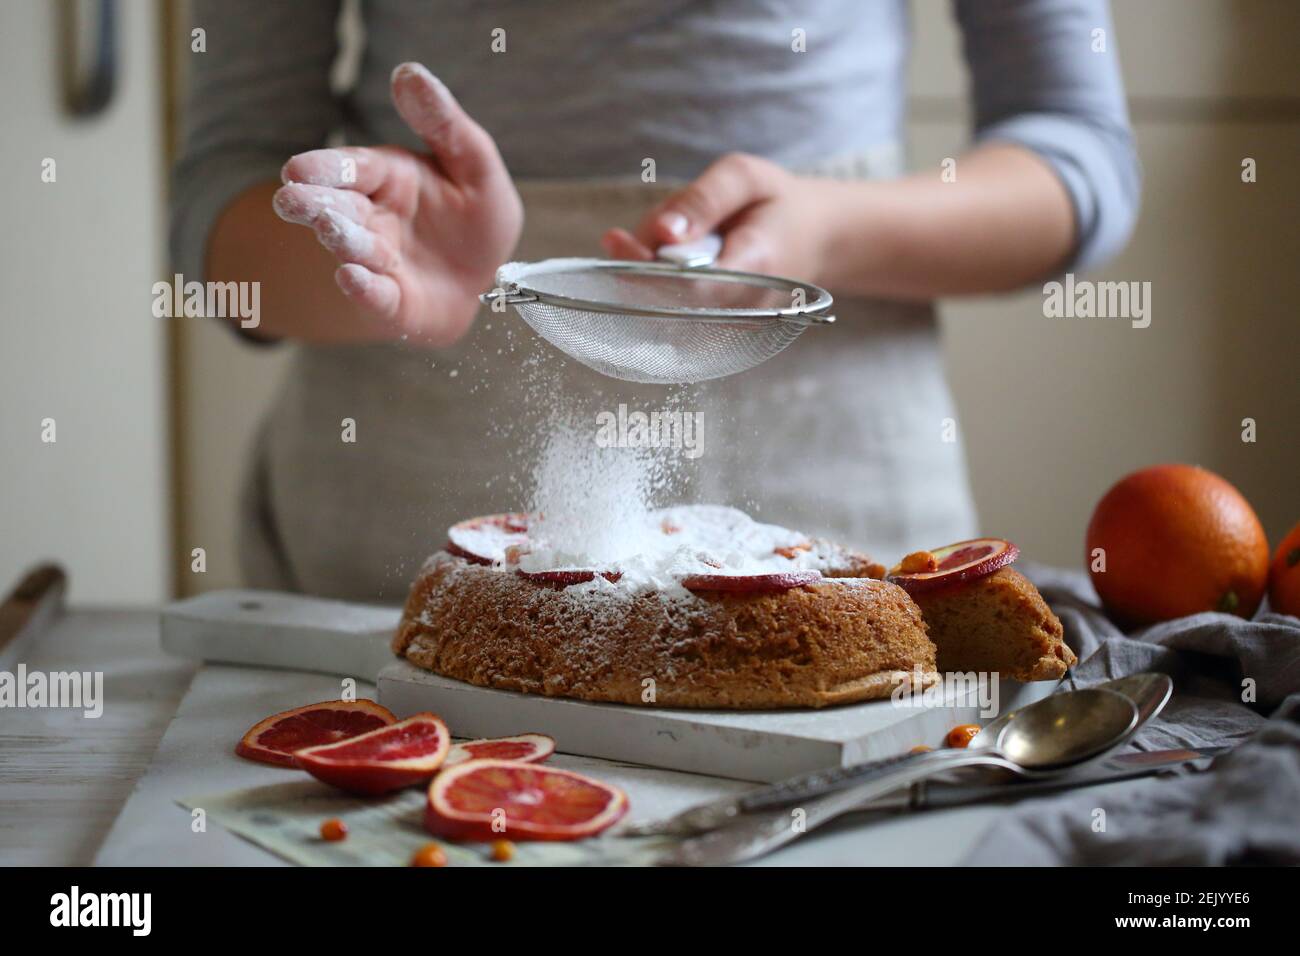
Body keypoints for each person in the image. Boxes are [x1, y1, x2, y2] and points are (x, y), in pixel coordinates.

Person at [174, 1, 1139, 603]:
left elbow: (1078, 153)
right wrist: (387, 273)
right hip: (399, 529)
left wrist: (823, 232)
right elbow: (219, 197)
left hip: (836, 491)